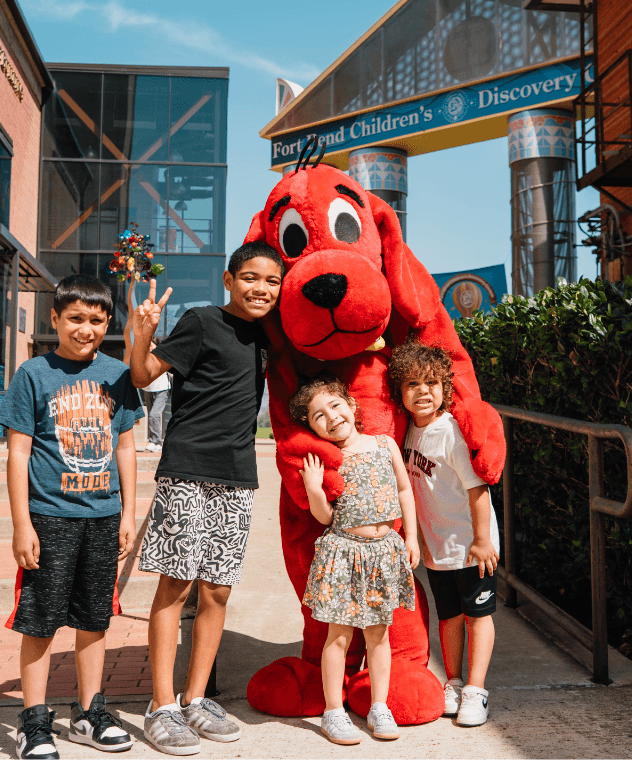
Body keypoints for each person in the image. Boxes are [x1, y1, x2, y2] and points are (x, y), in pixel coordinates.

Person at [129, 242, 284, 756]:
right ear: (229, 278)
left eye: (271, 281)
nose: (261, 288)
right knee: (175, 588)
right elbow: (144, 375)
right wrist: (144, 332)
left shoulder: (268, 335)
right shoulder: (200, 320)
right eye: (251, 278)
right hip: (188, 469)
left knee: (217, 591)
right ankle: (162, 705)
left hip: (238, 474)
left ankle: (197, 699)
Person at [0, 274, 143, 759]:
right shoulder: (33, 375)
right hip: (50, 517)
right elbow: (18, 454)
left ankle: (88, 712)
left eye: (97, 321)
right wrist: (22, 524)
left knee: (94, 619)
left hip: (102, 517)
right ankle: (35, 721)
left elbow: (126, 447)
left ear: (108, 324)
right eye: (75, 319)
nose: (86, 329)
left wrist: (128, 510)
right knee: (40, 622)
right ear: (54, 319)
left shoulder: (118, 375)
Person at [290, 374, 420, 746]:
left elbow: (404, 489)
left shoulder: (385, 444)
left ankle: (379, 705)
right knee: (338, 635)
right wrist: (314, 488)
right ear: (312, 428)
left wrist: (410, 536)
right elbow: (325, 517)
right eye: (318, 416)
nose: (330, 417)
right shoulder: (326, 461)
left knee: (379, 635)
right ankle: (333, 711)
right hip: (343, 554)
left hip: (384, 554)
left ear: (351, 405)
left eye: (334, 406)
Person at [388, 340, 500, 728]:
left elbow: (478, 489)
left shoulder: (450, 431)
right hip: (438, 549)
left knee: (477, 615)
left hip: (472, 548)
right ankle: (453, 682)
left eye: (432, 383)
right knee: (449, 616)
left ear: (445, 389)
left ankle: (476, 689)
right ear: (400, 392)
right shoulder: (408, 435)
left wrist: (483, 540)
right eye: (413, 384)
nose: (423, 391)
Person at [141, 338, 170, 453]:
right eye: (148, 346)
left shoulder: (162, 355)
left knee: (154, 415)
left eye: (152, 346)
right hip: (148, 389)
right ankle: (153, 440)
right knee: (151, 416)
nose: (150, 348)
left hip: (162, 388)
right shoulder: (144, 357)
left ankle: (157, 442)